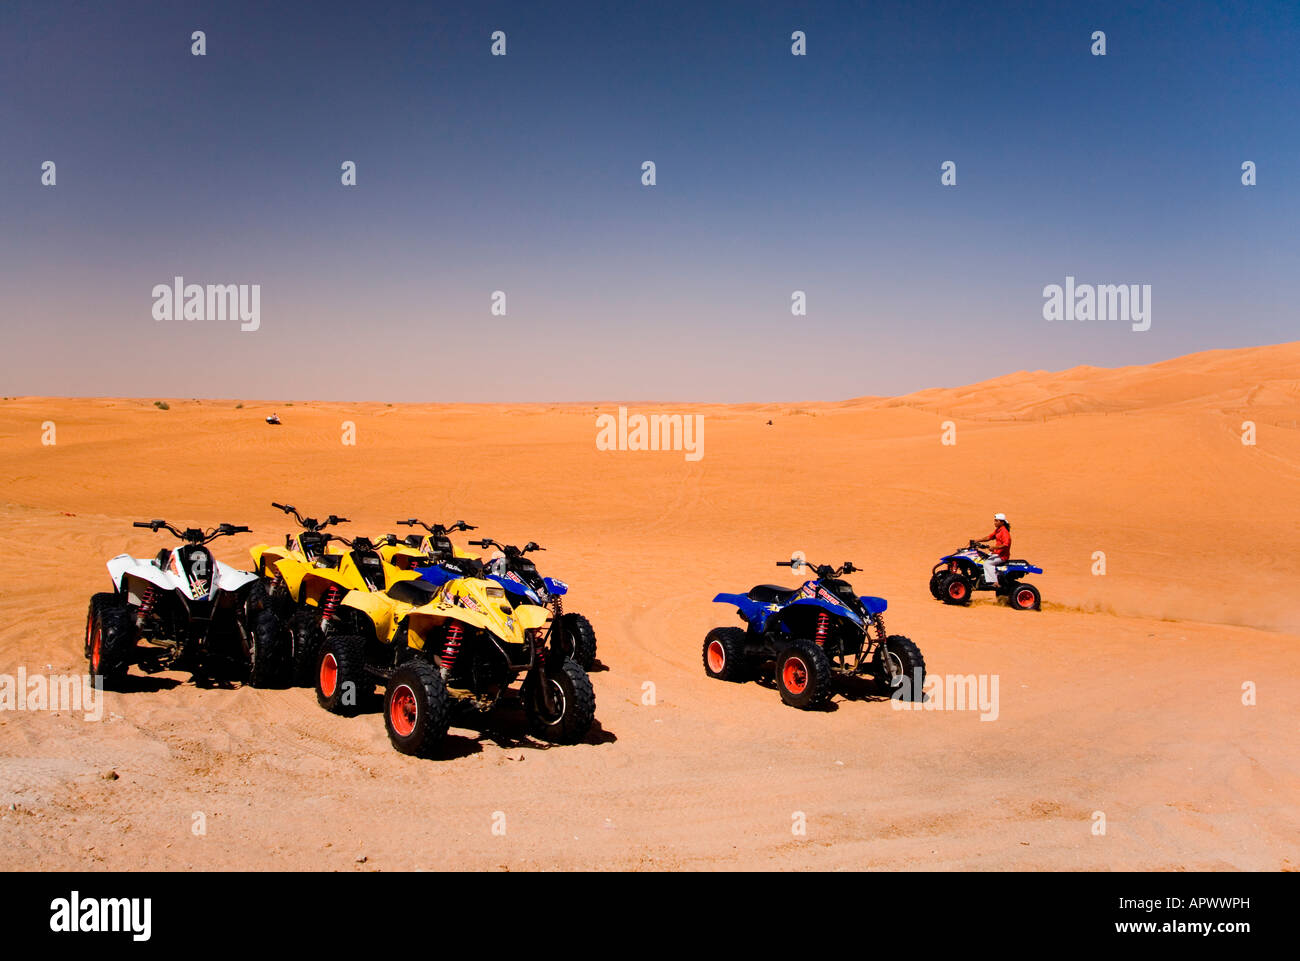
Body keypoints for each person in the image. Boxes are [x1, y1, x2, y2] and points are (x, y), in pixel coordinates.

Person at [974, 513, 1011, 585]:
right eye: (995, 521)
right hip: (996, 553)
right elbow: (989, 537)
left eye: (996, 521)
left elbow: (1006, 545)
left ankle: (995, 582)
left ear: (1002, 522)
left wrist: (994, 547)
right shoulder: (998, 530)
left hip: (1002, 556)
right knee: (982, 559)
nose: (995, 522)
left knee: (987, 563)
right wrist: (978, 540)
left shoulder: (1004, 532)